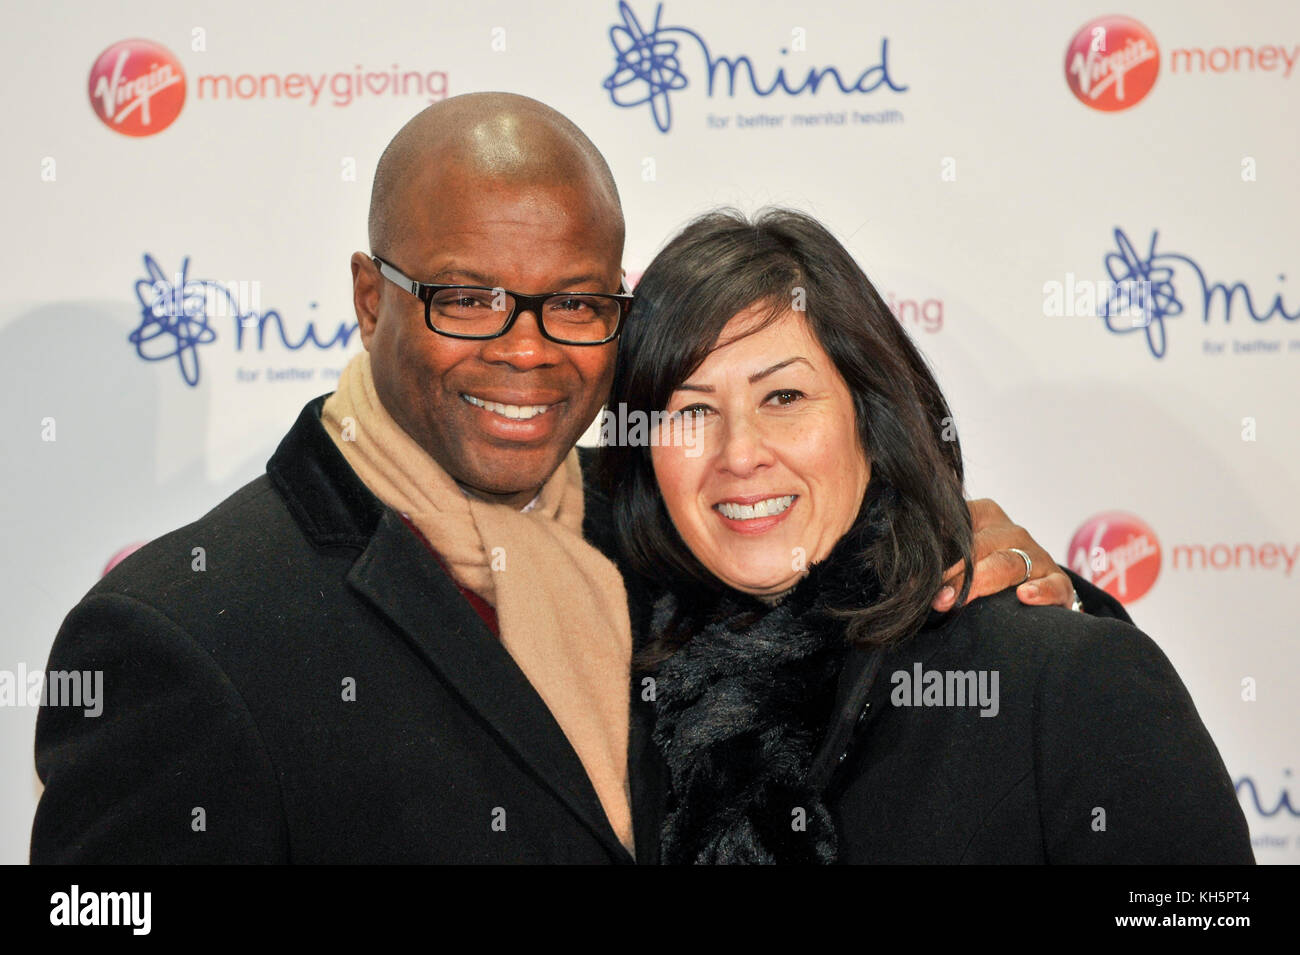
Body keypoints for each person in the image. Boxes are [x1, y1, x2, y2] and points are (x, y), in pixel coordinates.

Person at [32, 94, 1113, 864]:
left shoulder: (657, 522)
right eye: (466, 297)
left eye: (577, 303)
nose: (528, 349)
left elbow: (848, 591)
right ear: (370, 298)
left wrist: (981, 560)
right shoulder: (190, 633)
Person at [597, 207, 1254, 864]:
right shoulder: (624, 694)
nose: (739, 454)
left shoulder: (1064, 680)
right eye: (693, 410)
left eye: (784, 398)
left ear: (872, 416)